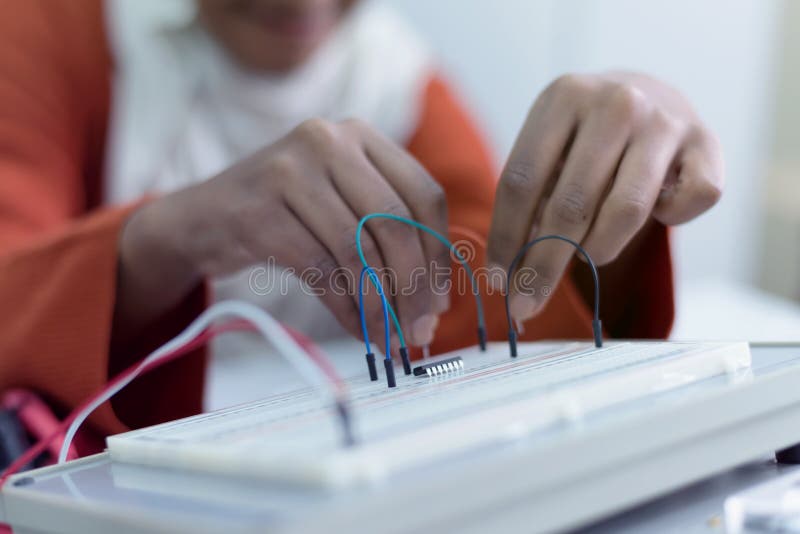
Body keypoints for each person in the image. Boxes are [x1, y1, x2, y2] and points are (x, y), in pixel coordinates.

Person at [0, 0, 721, 446]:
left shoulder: (396, 75)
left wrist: (626, 162)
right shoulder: (44, 33)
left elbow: (509, 305)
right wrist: (167, 236)